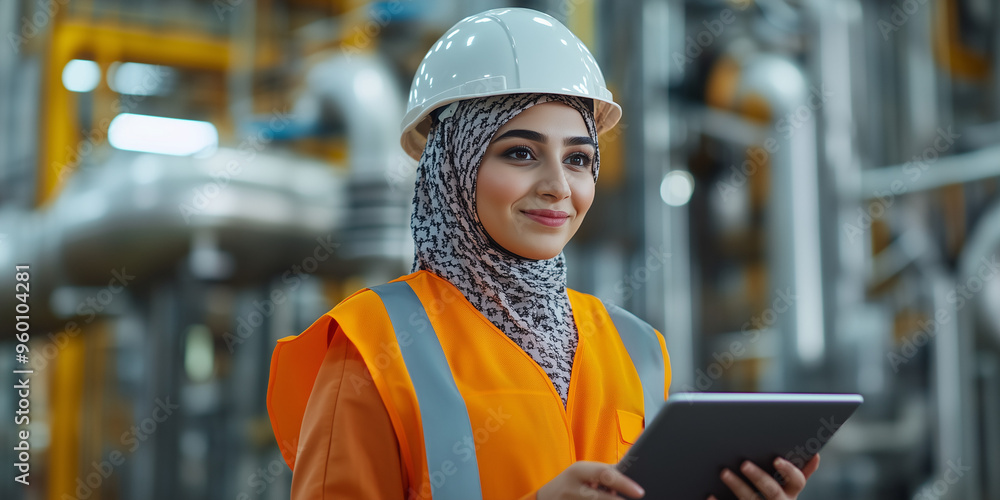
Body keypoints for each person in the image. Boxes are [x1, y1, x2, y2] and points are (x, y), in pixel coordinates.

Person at [266, 7, 819, 500]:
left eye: (578, 159)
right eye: (521, 152)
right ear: (453, 167)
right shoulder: (371, 343)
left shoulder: (637, 348)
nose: (558, 186)